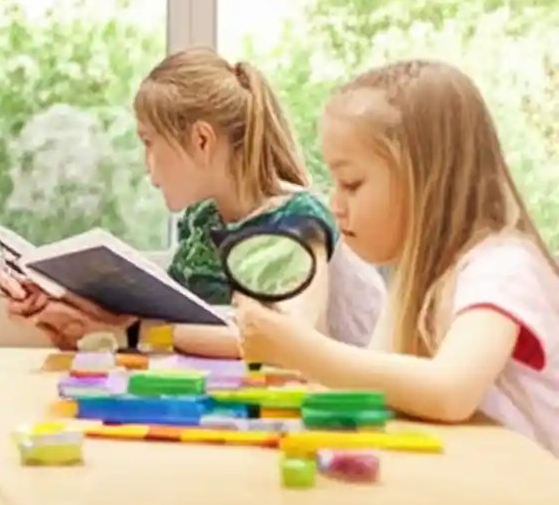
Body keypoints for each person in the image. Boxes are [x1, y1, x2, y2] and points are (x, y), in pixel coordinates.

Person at [236, 60, 559, 455]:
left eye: (351, 184)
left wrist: (298, 348)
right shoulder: (416, 278)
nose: (334, 205)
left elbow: (449, 391)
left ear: (425, 179)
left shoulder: (502, 268)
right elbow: (378, 392)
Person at [0, 47, 384, 356]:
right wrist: (69, 312)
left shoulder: (296, 221)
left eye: (149, 142)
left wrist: (133, 331)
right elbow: (185, 328)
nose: (147, 165)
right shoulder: (205, 220)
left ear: (201, 141)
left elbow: (280, 339)